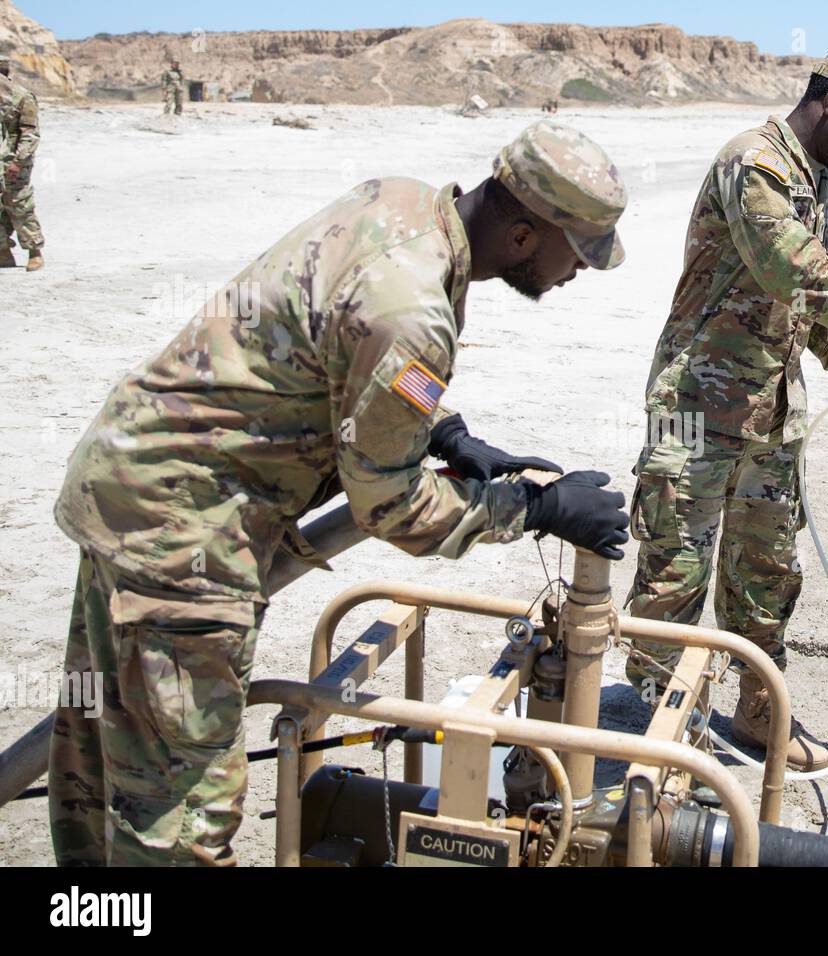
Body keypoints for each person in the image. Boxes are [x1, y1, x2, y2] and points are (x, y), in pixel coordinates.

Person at [48, 121, 630, 866]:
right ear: (522, 237)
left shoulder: (405, 204)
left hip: (131, 488)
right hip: (185, 540)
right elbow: (389, 507)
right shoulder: (412, 310)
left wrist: (447, 435)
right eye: (576, 255)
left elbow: (338, 351)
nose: (577, 273)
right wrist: (537, 511)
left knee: (100, 771)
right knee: (179, 813)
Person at [625, 46, 828, 771]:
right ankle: (661, 740)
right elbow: (785, 264)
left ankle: (759, 713)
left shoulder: (821, 188)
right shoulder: (753, 162)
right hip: (695, 409)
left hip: (771, 415)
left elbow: (813, 314)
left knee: (765, 572)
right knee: (675, 575)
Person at [0, 55, 45, 271]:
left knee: (19, 204)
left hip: (14, 160)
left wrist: (18, 161)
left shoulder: (22, 97)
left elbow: (30, 134)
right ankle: (3, 252)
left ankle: (34, 252)